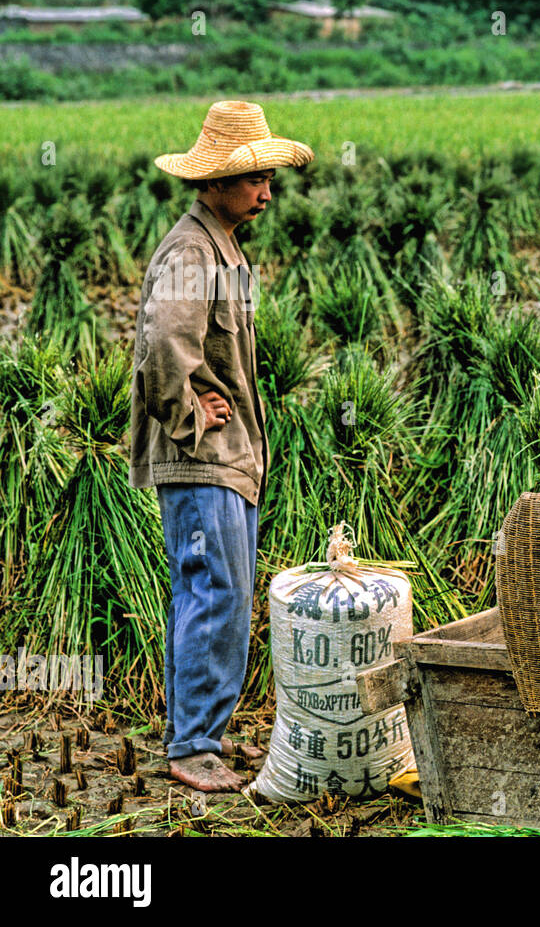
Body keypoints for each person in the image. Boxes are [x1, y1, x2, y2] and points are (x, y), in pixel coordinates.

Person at [130, 100, 313, 792]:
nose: (266, 193)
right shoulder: (191, 248)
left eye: (269, 179)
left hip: (226, 454)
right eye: (254, 179)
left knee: (213, 591)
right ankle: (194, 744)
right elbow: (163, 343)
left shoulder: (221, 244)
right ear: (213, 182)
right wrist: (190, 416)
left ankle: (197, 733)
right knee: (216, 590)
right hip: (202, 457)